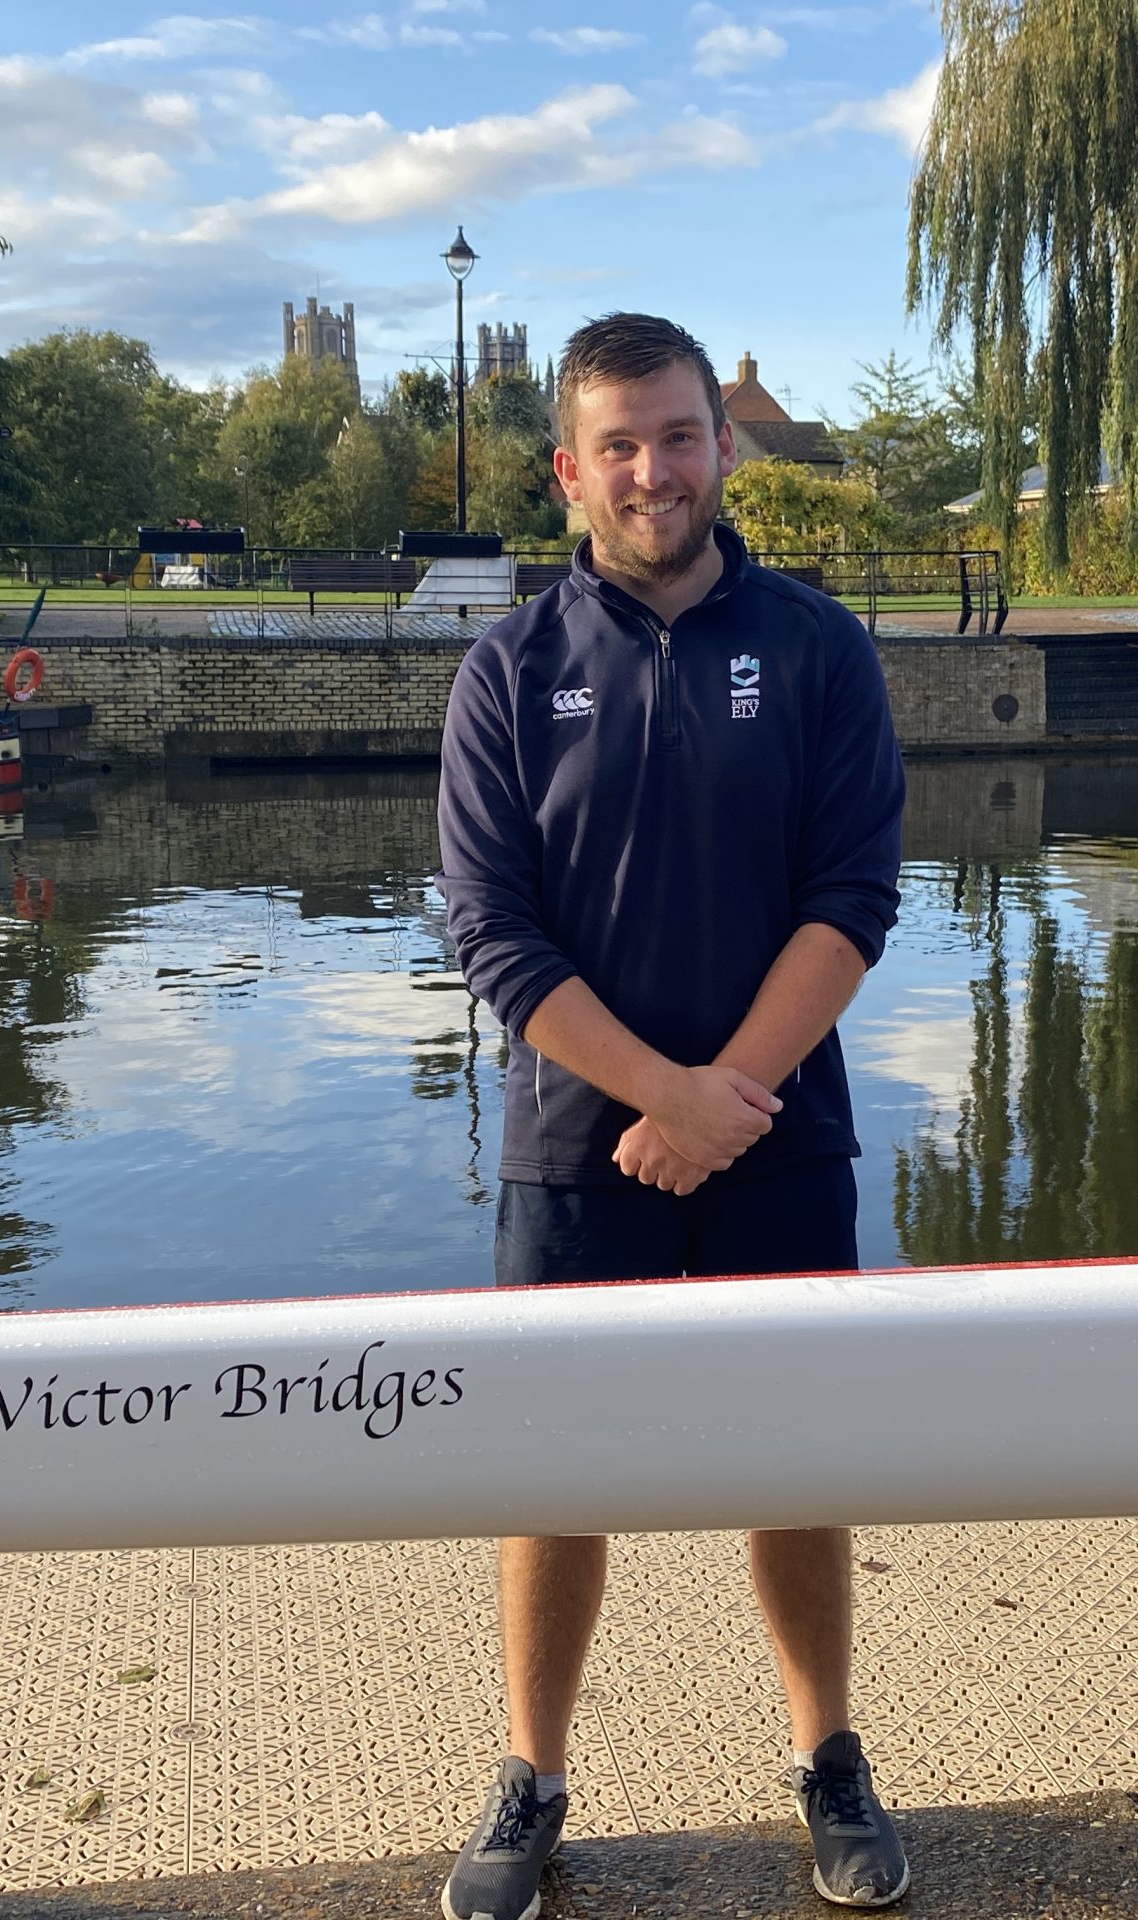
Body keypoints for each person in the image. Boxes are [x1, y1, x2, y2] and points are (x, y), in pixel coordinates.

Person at [433, 313, 910, 1920]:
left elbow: (852, 897)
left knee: (798, 1461)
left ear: (722, 444)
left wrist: (730, 1102)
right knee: (555, 1474)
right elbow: (494, 935)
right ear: (570, 472)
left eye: (680, 434)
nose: (654, 469)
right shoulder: (508, 672)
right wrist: (665, 1098)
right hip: (583, 1151)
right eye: (619, 444)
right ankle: (534, 1771)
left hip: (784, 1135)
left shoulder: (822, 649)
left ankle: (828, 1752)